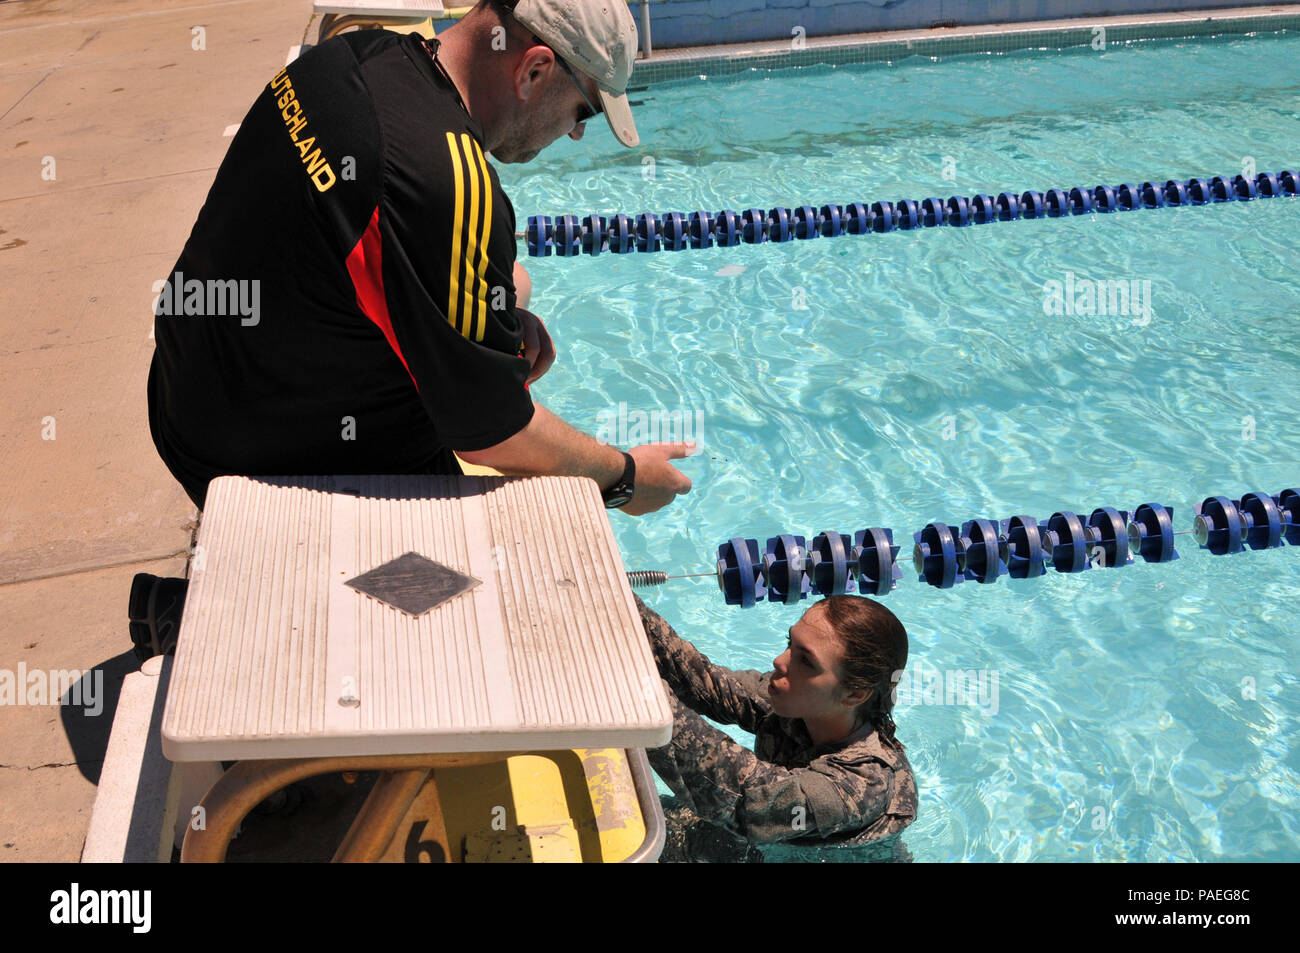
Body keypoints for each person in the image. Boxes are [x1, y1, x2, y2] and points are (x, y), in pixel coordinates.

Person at [146, 0, 692, 516]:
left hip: (186, 392)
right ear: (534, 71)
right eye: (585, 111)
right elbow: (496, 432)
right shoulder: (445, 178)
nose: (574, 133)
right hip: (261, 470)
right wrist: (623, 478)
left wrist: (497, 320)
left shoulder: (354, 55)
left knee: (514, 283)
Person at [634, 593, 917, 856]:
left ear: (855, 694)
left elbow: (744, 799)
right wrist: (621, 604)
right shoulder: (800, 700)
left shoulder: (859, 785)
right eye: (788, 643)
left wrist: (640, 693)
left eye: (805, 661)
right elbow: (701, 681)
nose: (780, 661)